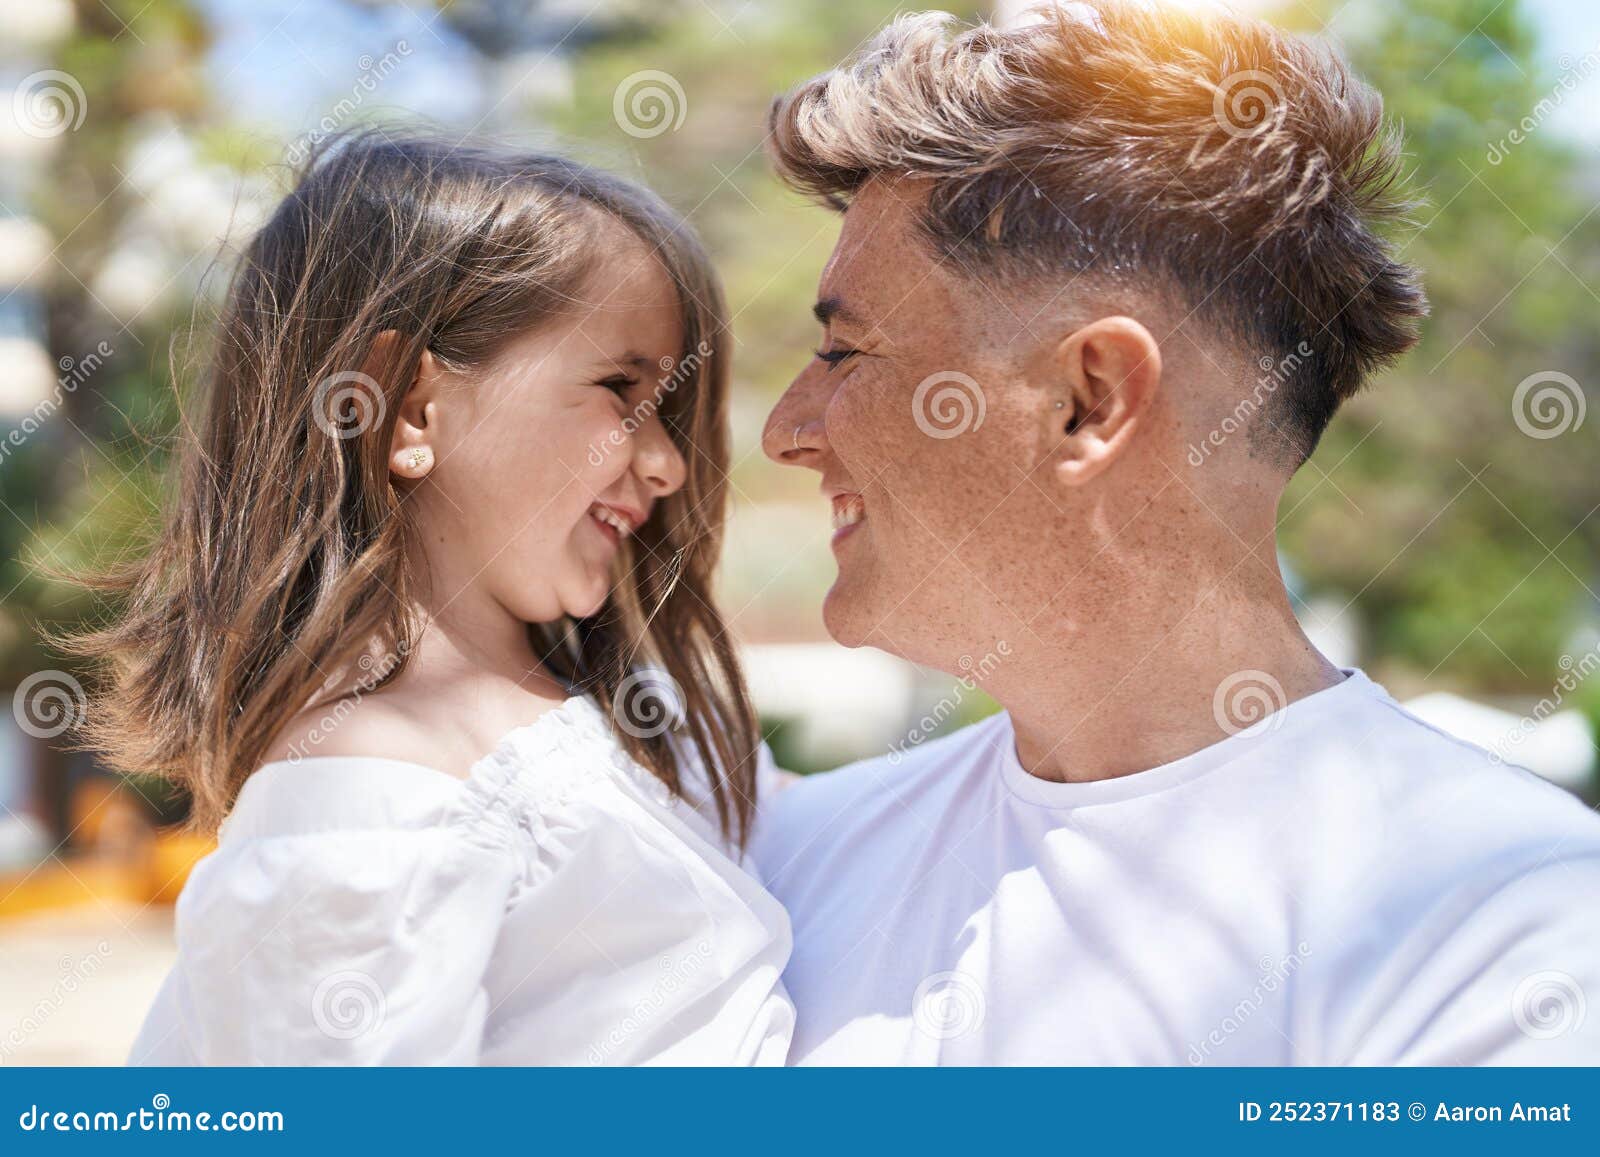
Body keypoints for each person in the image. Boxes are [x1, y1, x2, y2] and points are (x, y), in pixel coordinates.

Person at [752, 2, 1600, 1065]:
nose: (787, 429)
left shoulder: (1504, 923)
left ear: (1088, 397)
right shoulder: (792, 856)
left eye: (844, 355)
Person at [56, 130, 793, 1064]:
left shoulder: (628, 719)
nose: (669, 462)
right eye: (622, 390)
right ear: (408, 406)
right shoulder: (368, 790)